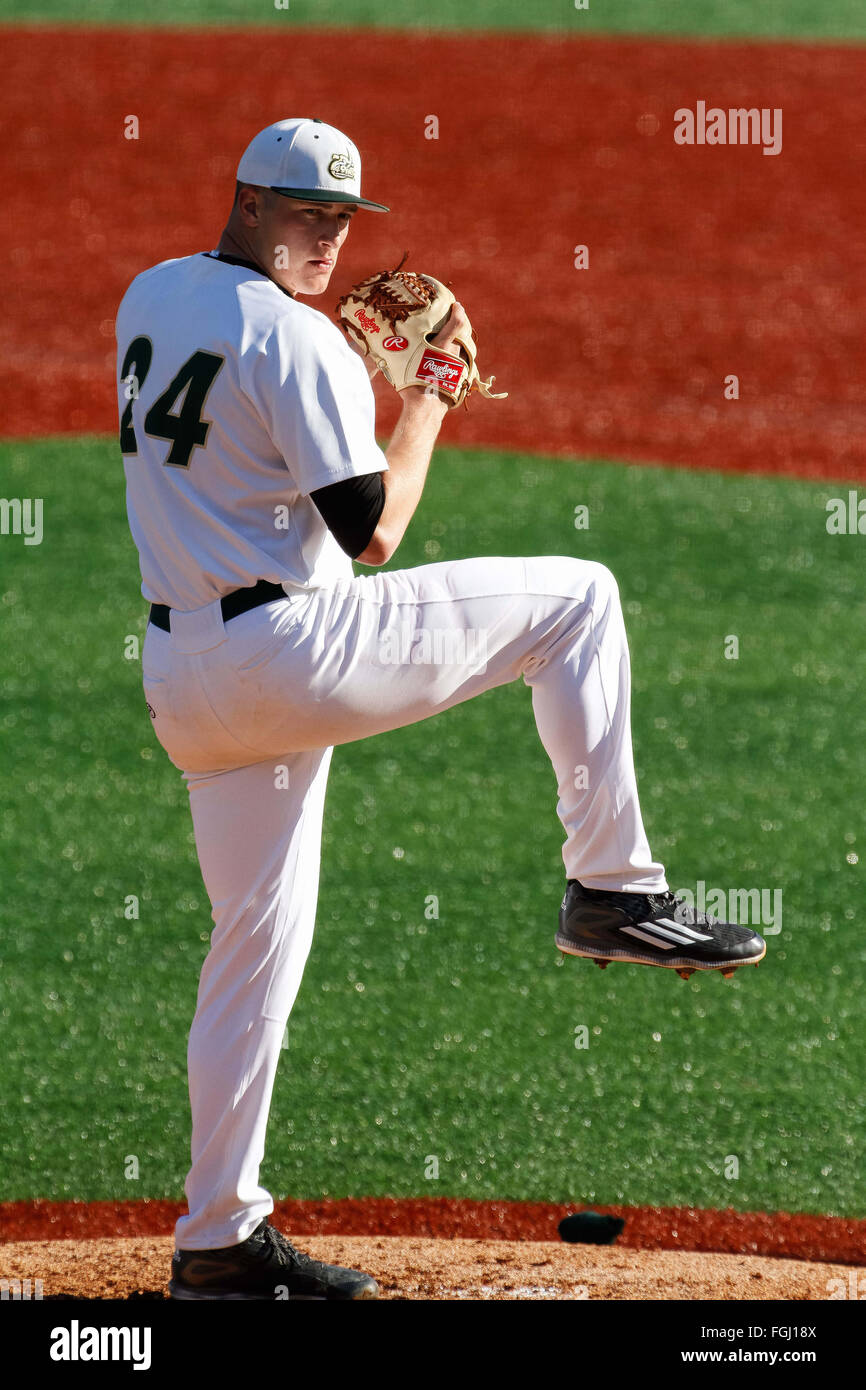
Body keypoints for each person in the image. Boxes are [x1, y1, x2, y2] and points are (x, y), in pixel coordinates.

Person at [115, 117, 766, 1302]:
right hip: (293, 653)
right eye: (305, 214)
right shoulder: (299, 343)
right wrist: (425, 396)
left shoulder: (150, 297)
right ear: (249, 202)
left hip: (185, 681)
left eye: (342, 220)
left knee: (253, 948)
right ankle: (613, 890)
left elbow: (244, 448)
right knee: (578, 600)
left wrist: (347, 384)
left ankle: (218, 1238)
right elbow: (371, 528)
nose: (327, 239)